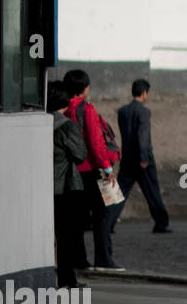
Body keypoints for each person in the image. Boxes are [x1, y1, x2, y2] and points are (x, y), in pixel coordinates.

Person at [62, 68, 124, 272]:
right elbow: (96, 142)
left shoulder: (62, 109)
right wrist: (107, 168)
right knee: (103, 214)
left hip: (70, 169)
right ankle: (103, 258)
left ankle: (78, 259)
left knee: (75, 218)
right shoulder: (86, 109)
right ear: (84, 89)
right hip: (89, 168)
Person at [116, 78, 171, 233]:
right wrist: (144, 158)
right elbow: (143, 137)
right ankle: (161, 223)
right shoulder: (144, 112)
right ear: (144, 93)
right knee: (152, 191)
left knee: (119, 192)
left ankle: (108, 221)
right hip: (142, 160)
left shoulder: (122, 111)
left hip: (127, 159)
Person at [50, 81, 88, 289]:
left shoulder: (40, 123)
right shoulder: (67, 126)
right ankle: (67, 279)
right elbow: (81, 155)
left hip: (44, 185)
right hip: (65, 187)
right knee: (66, 236)